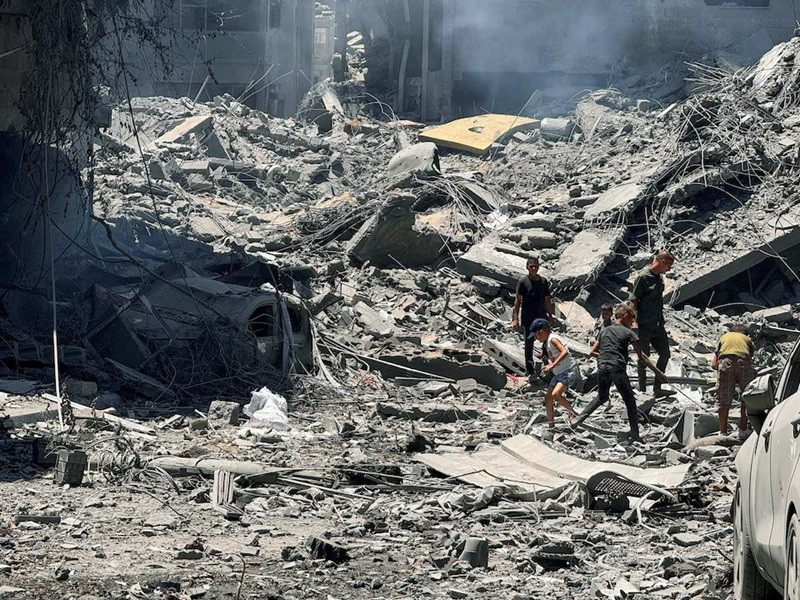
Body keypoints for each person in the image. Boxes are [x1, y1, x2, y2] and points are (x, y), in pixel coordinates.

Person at [571, 304, 667, 442]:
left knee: (602, 397)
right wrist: (658, 373)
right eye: (631, 320)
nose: (632, 323)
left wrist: (606, 356)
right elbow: (642, 356)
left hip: (602, 366)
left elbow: (592, 351)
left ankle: (580, 417)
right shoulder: (629, 333)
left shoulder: (604, 331)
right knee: (630, 401)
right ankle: (635, 435)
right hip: (617, 369)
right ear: (626, 316)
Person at [629, 250, 675, 397]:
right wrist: (633, 321)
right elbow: (633, 300)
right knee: (643, 357)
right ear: (662, 262)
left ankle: (657, 388)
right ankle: (642, 388)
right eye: (668, 266)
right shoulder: (643, 277)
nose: (669, 270)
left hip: (657, 324)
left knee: (665, 354)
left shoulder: (659, 279)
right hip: (643, 325)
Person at [529, 318, 579, 428]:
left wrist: (553, 364)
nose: (536, 338)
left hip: (568, 370)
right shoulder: (547, 342)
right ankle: (551, 425)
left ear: (541, 331)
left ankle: (574, 415)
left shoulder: (553, 339)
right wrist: (550, 364)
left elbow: (565, 352)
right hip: (558, 373)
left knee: (556, 394)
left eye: (536, 335)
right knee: (548, 398)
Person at [511, 257, 553, 375]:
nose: (534, 268)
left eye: (536, 266)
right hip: (528, 317)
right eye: (531, 266)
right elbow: (517, 301)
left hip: (541, 316)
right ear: (527, 267)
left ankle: (546, 366)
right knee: (529, 343)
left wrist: (550, 315)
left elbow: (547, 300)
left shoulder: (543, 281)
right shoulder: (523, 281)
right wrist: (515, 319)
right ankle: (530, 370)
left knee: (546, 342)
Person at [712, 324, 755, 435]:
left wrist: (721, 370)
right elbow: (749, 358)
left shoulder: (724, 337)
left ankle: (723, 432)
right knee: (747, 397)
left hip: (725, 362)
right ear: (745, 334)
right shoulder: (747, 339)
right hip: (743, 362)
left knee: (723, 399)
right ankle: (743, 429)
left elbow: (713, 364)